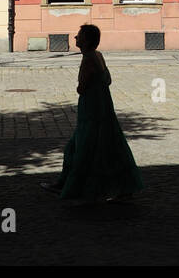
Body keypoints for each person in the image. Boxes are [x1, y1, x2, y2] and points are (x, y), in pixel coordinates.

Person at [42, 24, 144, 203]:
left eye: (79, 35)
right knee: (108, 145)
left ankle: (75, 187)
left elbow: (81, 88)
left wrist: (84, 83)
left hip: (91, 108)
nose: (75, 38)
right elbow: (108, 80)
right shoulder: (99, 55)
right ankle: (121, 186)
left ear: (87, 40)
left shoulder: (88, 58)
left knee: (81, 148)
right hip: (104, 106)